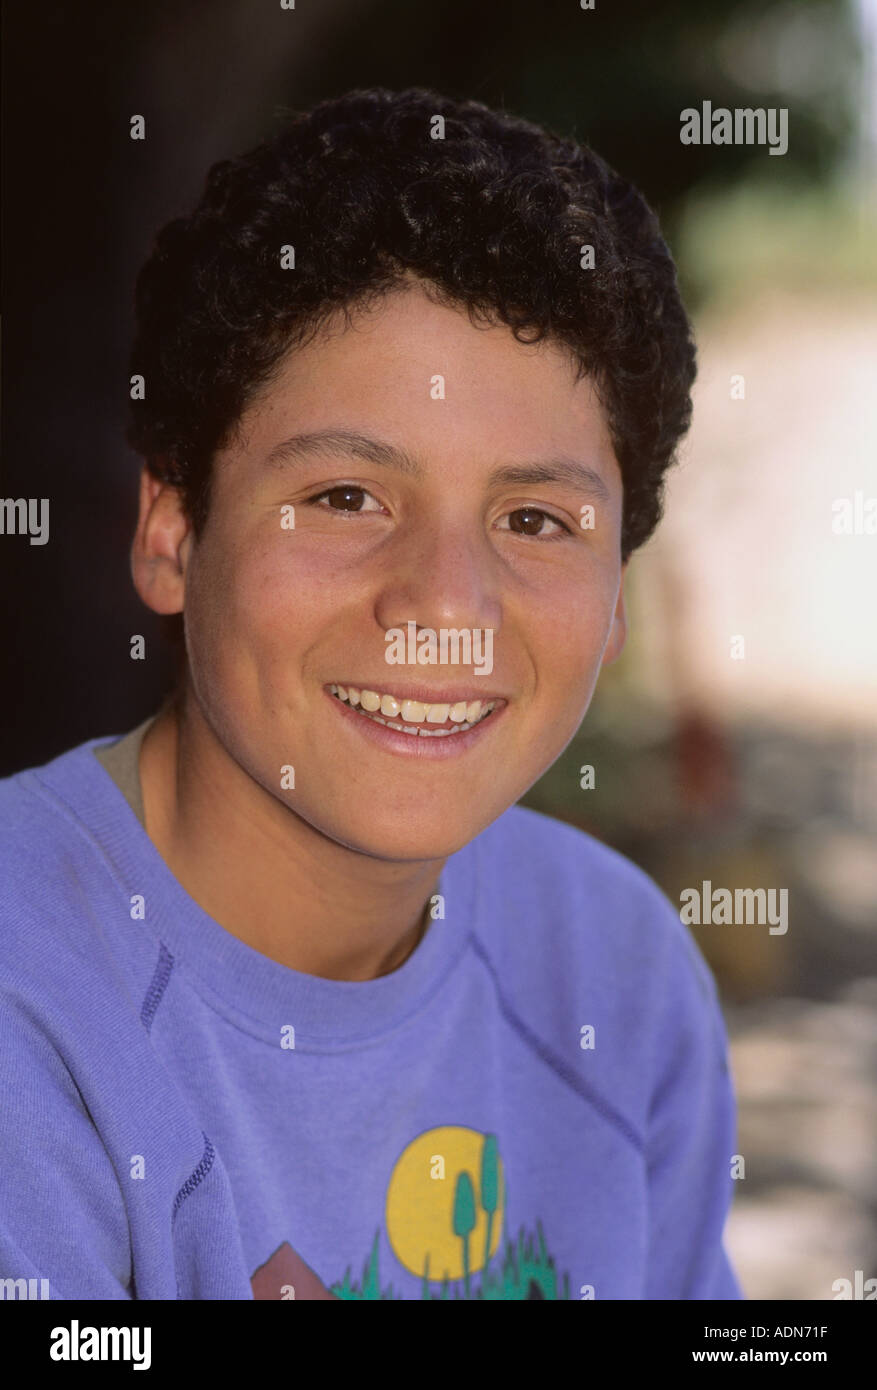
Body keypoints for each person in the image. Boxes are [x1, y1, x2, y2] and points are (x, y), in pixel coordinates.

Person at [0, 86, 741, 1300]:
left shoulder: (616, 972)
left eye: (534, 519)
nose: (448, 608)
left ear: (617, 600)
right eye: (346, 496)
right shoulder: (31, 1002)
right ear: (173, 527)